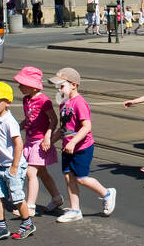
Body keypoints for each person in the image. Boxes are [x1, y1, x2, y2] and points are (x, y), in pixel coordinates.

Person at [49, 68, 116, 222]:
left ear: (73, 85)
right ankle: (75, 210)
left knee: (81, 178)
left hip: (82, 147)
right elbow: (64, 127)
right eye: (57, 87)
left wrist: (73, 141)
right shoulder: (64, 103)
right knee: (68, 177)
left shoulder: (79, 103)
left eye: (61, 86)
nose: (59, 90)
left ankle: (107, 193)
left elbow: (86, 127)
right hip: (68, 147)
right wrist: (52, 140)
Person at [0, 81, 34, 242]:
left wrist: (15, 166)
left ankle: (27, 224)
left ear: (7, 102)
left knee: (17, 198)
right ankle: (1, 227)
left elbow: (18, 144)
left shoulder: (9, 121)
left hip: (12, 165)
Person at [14, 67, 63, 215]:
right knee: (42, 172)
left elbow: (53, 120)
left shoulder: (44, 100)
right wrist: (20, 126)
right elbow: (30, 118)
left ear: (33, 86)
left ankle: (30, 207)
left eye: (23, 84)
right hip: (29, 140)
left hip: (40, 142)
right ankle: (56, 197)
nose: (19, 87)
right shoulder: (26, 99)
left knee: (31, 172)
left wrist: (48, 136)